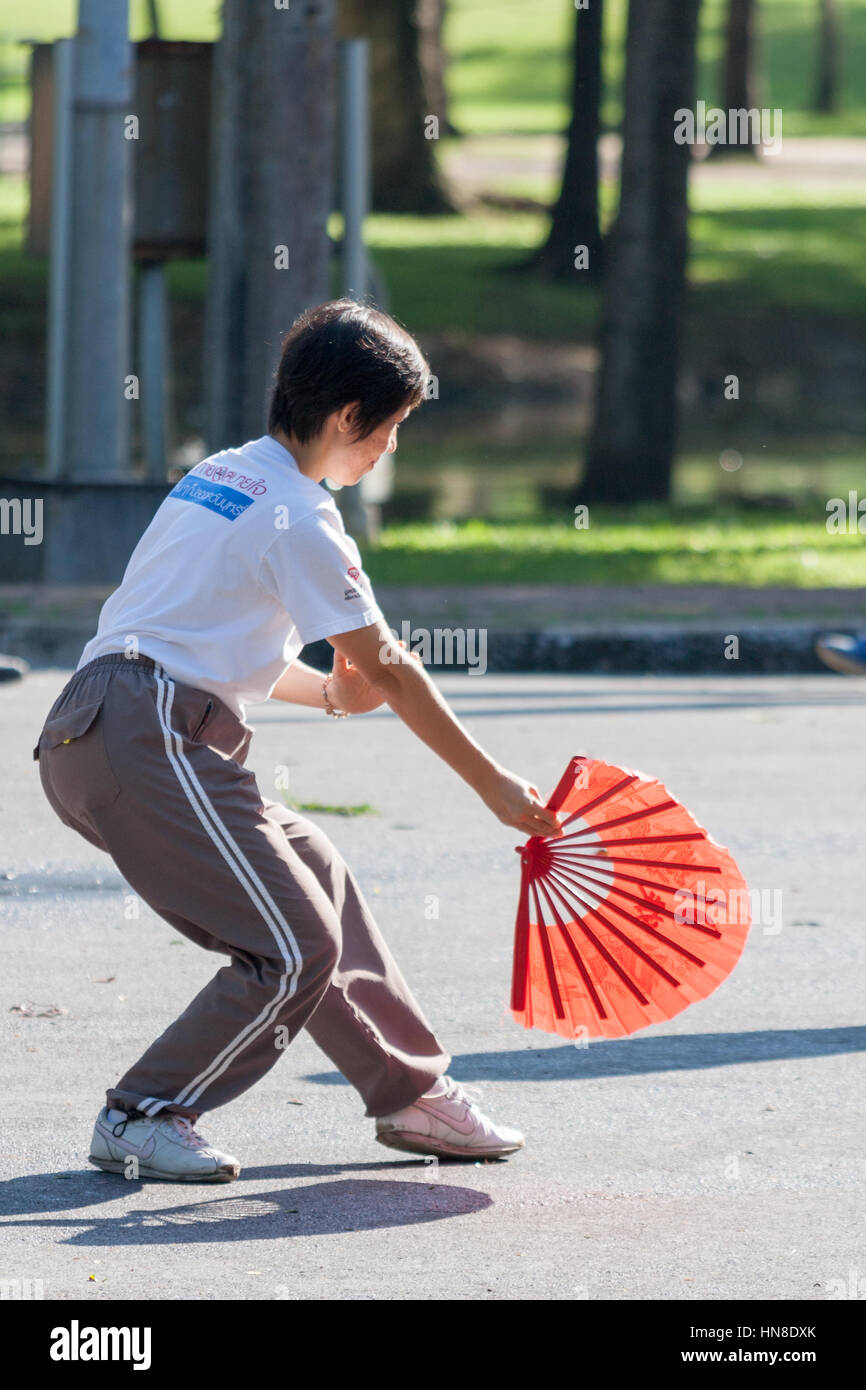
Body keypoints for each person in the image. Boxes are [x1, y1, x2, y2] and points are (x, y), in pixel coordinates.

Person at [34, 299, 563, 1183]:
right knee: (290, 948)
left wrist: (327, 693)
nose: (391, 449)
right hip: (149, 734)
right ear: (348, 417)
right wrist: (495, 786)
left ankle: (408, 1093)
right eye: (390, 429)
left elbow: (195, 633)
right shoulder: (303, 513)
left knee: (314, 867)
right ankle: (143, 1112)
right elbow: (389, 667)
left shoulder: (222, 475)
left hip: (99, 725)